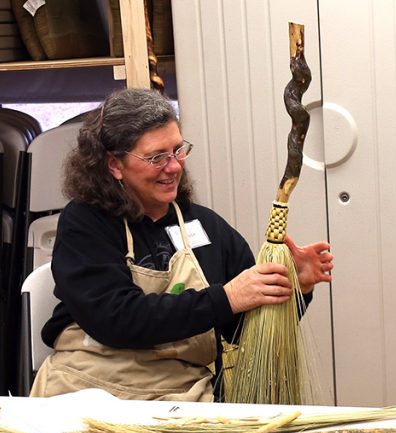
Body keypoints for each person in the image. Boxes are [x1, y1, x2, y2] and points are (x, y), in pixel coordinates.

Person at [31, 88, 333, 402]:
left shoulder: (206, 227)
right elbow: (116, 319)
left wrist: (296, 287)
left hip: (180, 396)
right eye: (156, 157)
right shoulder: (86, 223)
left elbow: (244, 329)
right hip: (88, 389)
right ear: (114, 165)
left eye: (178, 150)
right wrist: (225, 298)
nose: (174, 166)